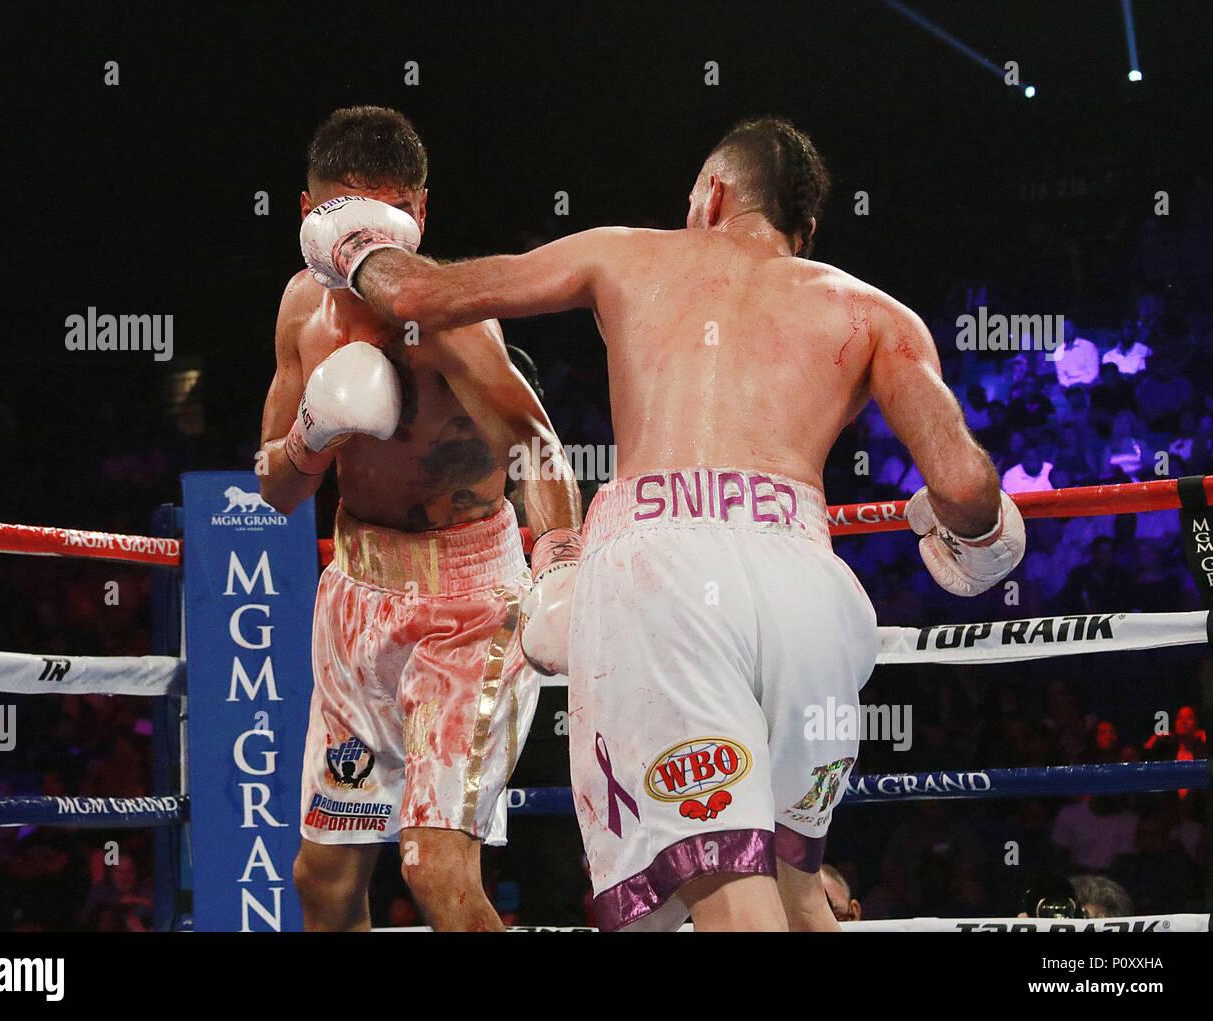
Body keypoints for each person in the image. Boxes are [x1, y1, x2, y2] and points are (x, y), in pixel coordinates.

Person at [314, 116, 1024, 931]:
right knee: (799, 894)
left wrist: (350, 236)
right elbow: (966, 487)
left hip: (665, 575)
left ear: (713, 194)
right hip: (810, 588)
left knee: (731, 905)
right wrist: (969, 541)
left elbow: (416, 295)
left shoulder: (626, 253)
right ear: (804, 229)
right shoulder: (876, 313)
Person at [258, 106, 582, 932]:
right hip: (357, 597)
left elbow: (536, 445)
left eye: (390, 218)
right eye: (348, 219)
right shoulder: (299, 309)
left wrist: (561, 562)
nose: (367, 247)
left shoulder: (451, 320)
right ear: (308, 215)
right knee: (322, 881)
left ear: (421, 213)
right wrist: (309, 436)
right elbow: (276, 489)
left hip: (468, 607)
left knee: (434, 870)